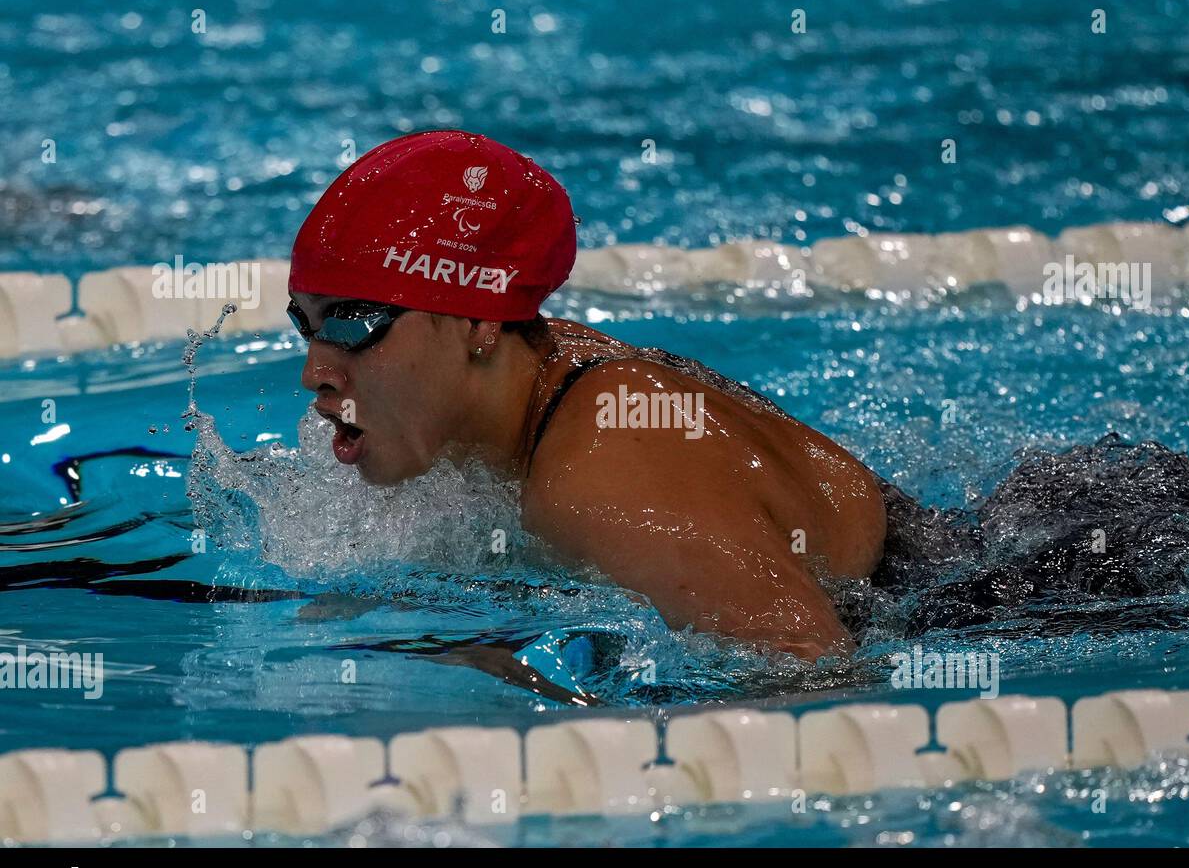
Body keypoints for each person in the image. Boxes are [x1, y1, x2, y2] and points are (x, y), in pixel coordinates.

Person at [288, 130, 886, 661]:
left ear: (479, 324)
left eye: (353, 322)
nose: (316, 370)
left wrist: (505, 668)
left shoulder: (601, 474)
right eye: (307, 324)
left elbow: (814, 674)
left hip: (946, 605)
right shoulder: (513, 384)